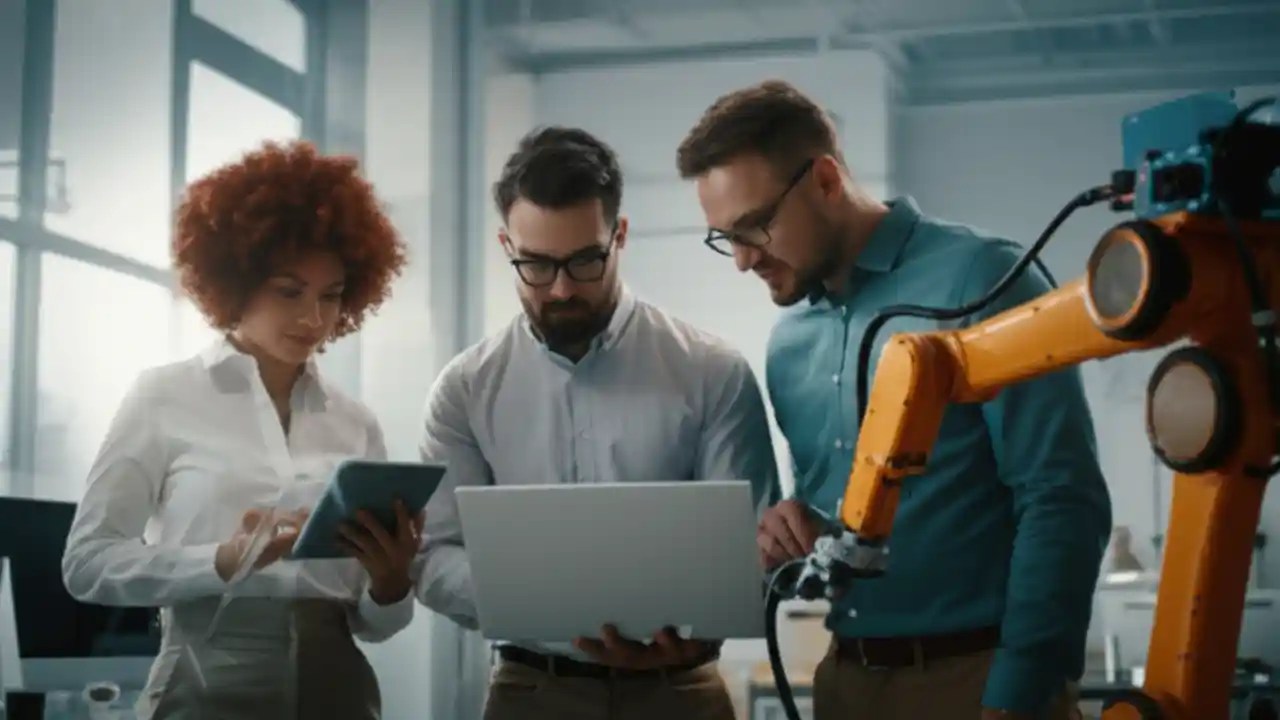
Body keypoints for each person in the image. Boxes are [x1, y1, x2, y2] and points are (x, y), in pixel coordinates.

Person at [676, 80, 1112, 720]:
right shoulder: (788, 343)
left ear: (826, 179)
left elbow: (1061, 495)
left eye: (756, 228)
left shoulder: (980, 276)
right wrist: (793, 535)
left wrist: (1019, 691)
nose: (742, 261)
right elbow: (844, 528)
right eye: (725, 238)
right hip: (847, 682)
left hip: (979, 679)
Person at [414, 126, 780, 720]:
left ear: (621, 236)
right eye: (535, 264)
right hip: (532, 692)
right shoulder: (465, 389)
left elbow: (753, 552)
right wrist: (555, 602)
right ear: (506, 243)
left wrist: (695, 624)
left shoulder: (713, 371)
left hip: (679, 688)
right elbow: (433, 556)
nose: (561, 289)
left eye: (585, 261)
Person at [61, 140, 420, 720]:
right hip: (200, 690)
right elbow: (87, 564)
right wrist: (219, 561)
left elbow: (377, 627)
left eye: (331, 297)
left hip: (339, 694)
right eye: (289, 292)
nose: (313, 319)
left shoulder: (355, 424)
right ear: (234, 280)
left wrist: (391, 584)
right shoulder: (164, 396)